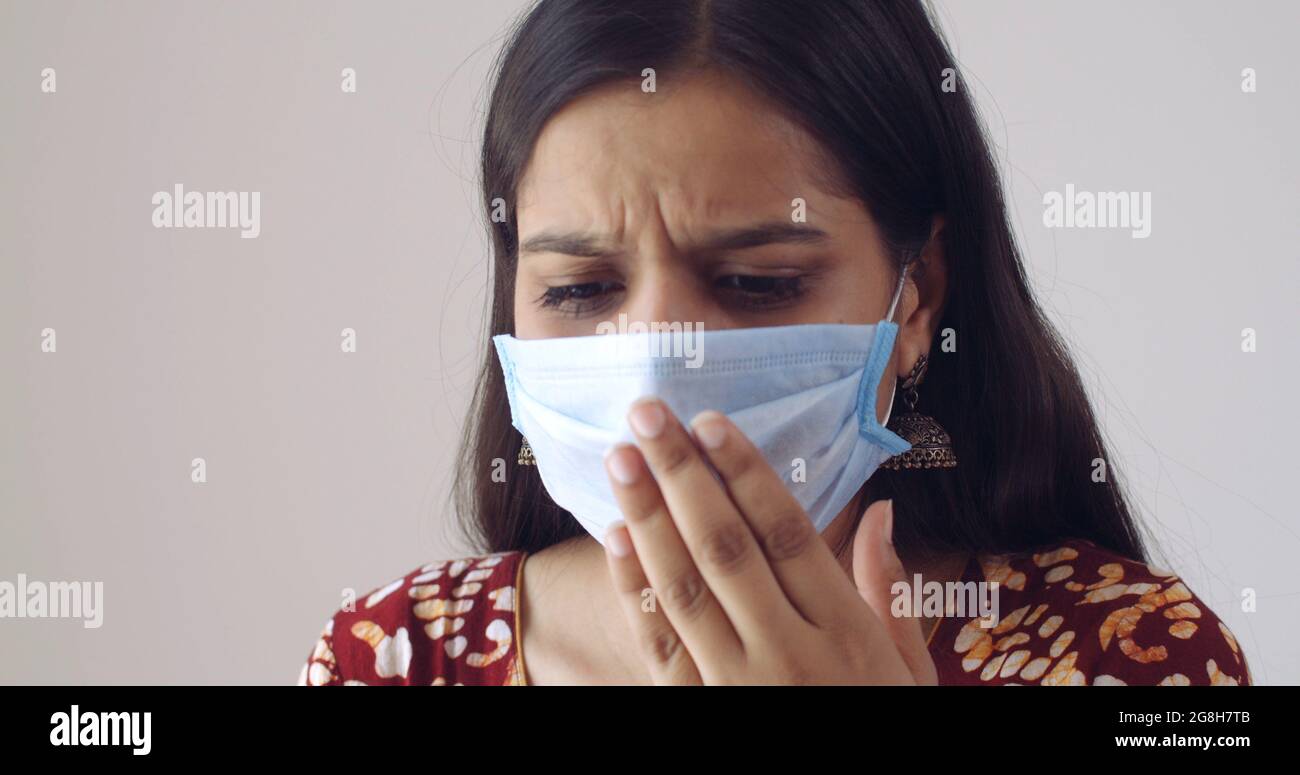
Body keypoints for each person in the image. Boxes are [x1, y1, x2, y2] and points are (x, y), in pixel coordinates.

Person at [299, 0, 1250, 686]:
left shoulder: (1135, 656)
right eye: (580, 290)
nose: (656, 380)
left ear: (915, 298)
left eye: (759, 284)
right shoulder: (390, 657)